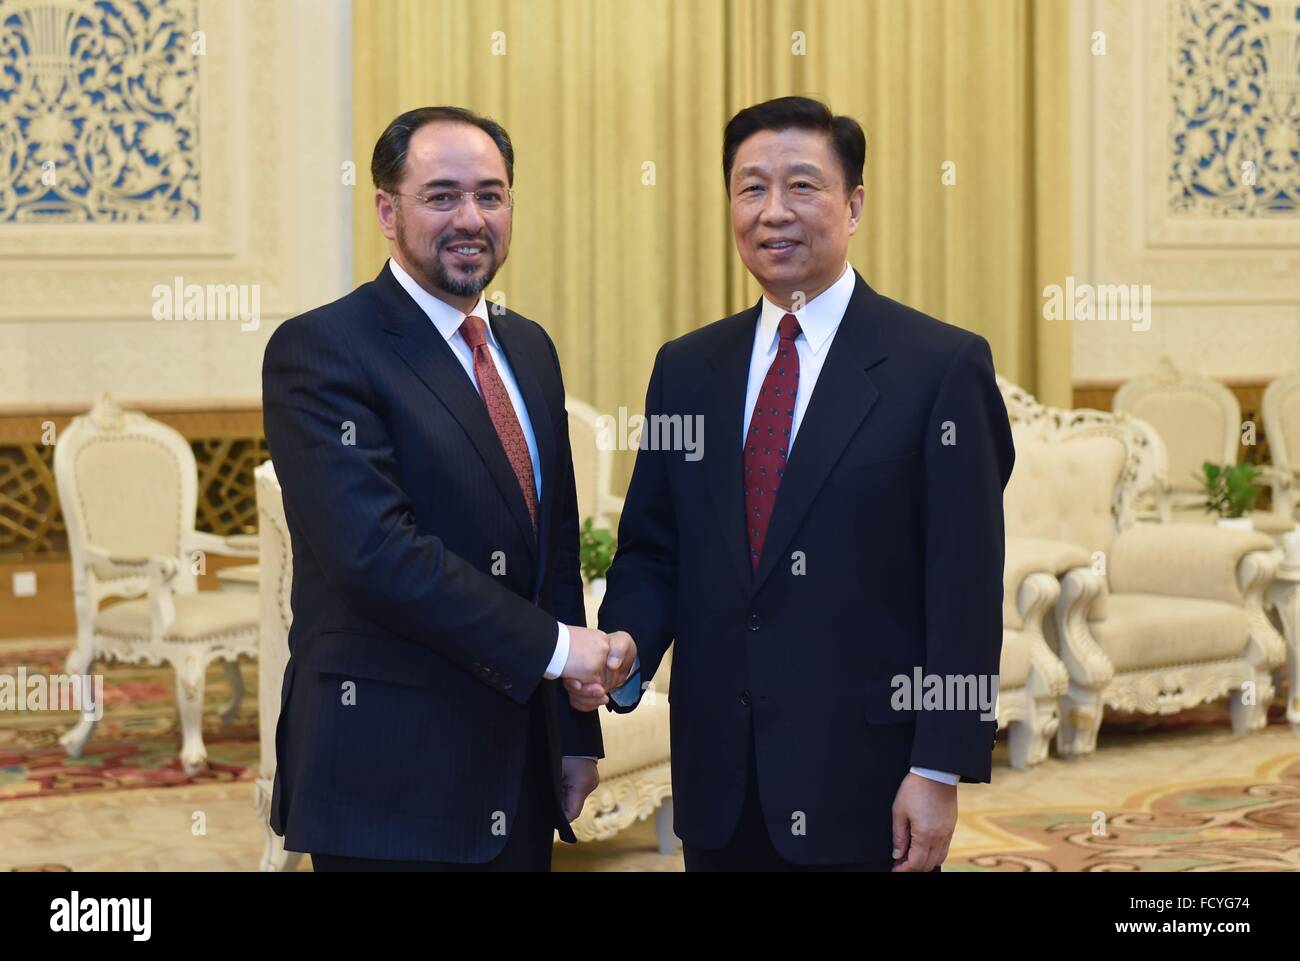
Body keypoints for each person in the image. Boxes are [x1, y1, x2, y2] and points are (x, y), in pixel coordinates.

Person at [576, 96, 1014, 872]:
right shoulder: (687, 369)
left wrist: (939, 767)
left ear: (854, 205)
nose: (773, 211)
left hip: (869, 783)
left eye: (802, 186)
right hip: (719, 783)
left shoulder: (939, 368)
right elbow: (655, 549)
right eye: (751, 188)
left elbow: (963, 585)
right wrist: (626, 645)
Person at [262, 106, 635, 871]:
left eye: (491, 195)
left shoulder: (527, 347)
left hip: (520, 768)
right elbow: (376, 554)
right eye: (442, 195)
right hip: (388, 780)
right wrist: (564, 651)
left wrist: (575, 734)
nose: (471, 218)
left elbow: (552, 552)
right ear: (386, 209)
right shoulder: (323, 349)